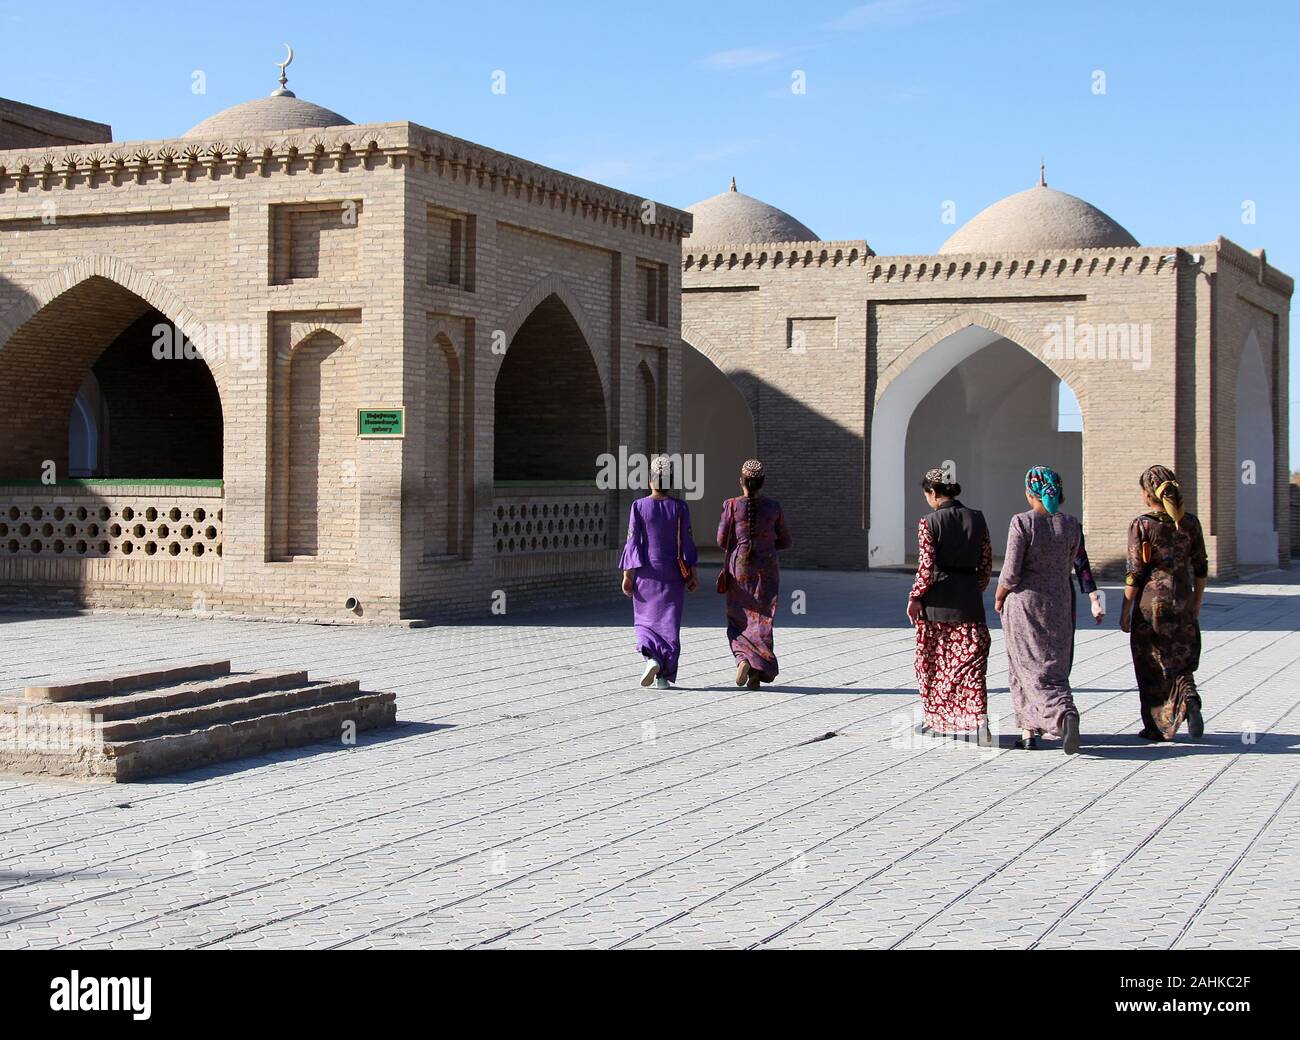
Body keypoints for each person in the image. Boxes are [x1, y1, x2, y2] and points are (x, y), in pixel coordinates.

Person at [994, 466, 1104, 754]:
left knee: (1024, 666)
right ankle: (1030, 730)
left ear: (1031, 493)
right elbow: (1082, 565)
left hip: (1026, 604)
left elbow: (1011, 571)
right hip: (1061, 602)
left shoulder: (1022, 523)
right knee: (1052, 665)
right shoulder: (1071, 524)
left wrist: (999, 595)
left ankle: (1063, 715)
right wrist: (1093, 597)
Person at [1119, 465, 1208, 741]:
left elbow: (1134, 573)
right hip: (1182, 598)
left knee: (1151, 664)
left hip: (1151, 606)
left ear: (1148, 494)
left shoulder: (1143, 524)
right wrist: (1196, 603)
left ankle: (1157, 727)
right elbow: (1201, 566)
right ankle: (1188, 697)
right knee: (1180, 660)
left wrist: (1125, 610)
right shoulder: (1190, 523)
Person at [907, 468, 993, 744]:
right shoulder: (977, 518)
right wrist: (973, 587)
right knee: (971, 666)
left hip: (937, 603)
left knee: (936, 665)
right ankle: (978, 721)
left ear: (933, 493)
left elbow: (926, 566)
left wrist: (915, 597)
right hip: (969, 602)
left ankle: (938, 720)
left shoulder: (929, 522)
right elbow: (986, 564)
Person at [620, 455, 699, 688]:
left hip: (646, 573)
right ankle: (663, 676)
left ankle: (652, 659)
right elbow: (687, 542)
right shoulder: (680, 507)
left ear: (650, 480)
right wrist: (692, 573)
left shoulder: (639, 506)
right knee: (668, 622)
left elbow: (632, 542)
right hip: (672, 575)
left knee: (646, 621)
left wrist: (627, 575)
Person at [717, 459, 792, 690]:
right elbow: (786, 540)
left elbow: (721, 540)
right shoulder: (774, 507)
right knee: (762, 619)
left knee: (738, 617)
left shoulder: (731, 505)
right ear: (763, 482)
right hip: (767, 568)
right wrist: (767, 545)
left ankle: (743, 658)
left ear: (741, 481)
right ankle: (757, 671)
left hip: (739, 567)